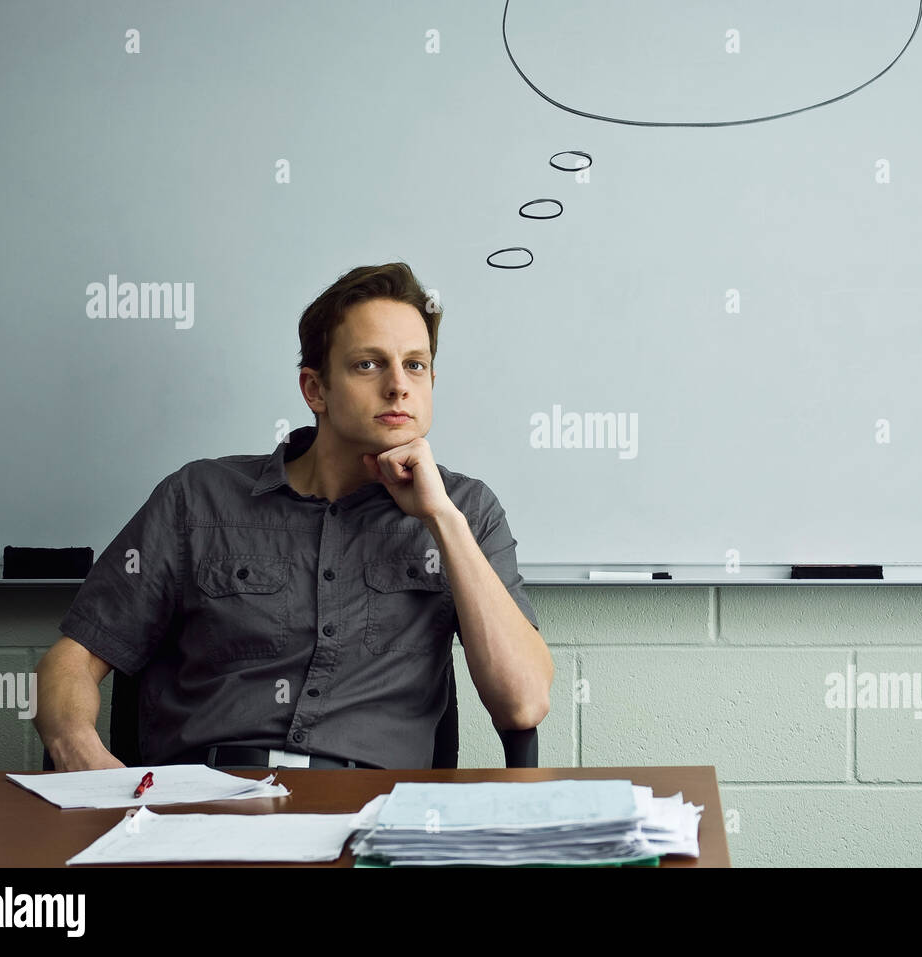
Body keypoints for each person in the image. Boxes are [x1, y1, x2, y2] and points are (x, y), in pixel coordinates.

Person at [33, 263, 552, 771]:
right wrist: (80, 750)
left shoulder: (468, 510)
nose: (398, 386)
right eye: (368, 364)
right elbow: (73, 658)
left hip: (371, 813)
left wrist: (442, 518)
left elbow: (523, 703)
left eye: (415, 365)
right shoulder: (198, 498)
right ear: (315, 390)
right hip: (206, 806)